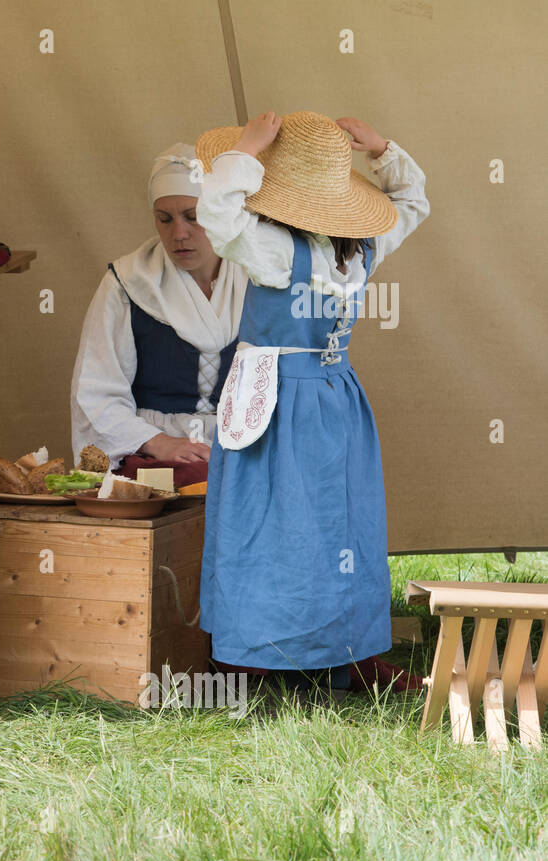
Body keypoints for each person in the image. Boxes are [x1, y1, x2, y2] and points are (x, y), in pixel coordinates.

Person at [194, 111, 430, 694]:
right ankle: (330, 646)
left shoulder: (273, 247)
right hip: (332, 396)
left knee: (272, 520)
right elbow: (414, 202)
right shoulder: (362, 247)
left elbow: (216, 214)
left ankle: (263, 650)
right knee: (335, 520)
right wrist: (383, 150)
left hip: (278, 403)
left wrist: (247, 151)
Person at [70, 143, 248, 485]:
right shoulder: (128, 284)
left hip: (240, 449)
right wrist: (157, 442)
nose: (178, 234)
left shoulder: (255, 279)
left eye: (193, 217)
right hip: (152, 454)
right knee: (192, 481)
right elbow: (95, 392)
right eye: (164, 219)